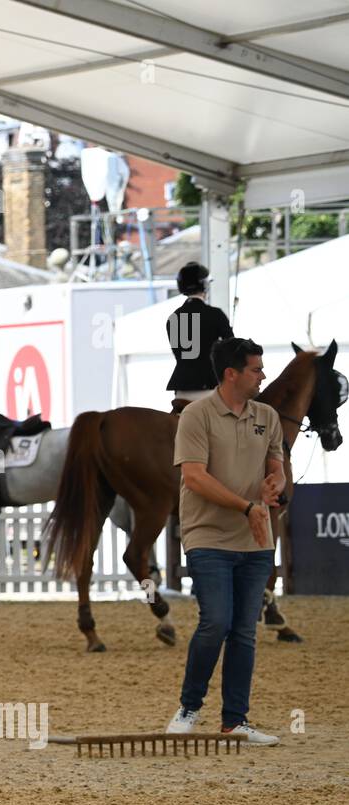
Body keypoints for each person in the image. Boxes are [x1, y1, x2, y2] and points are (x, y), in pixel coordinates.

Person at [166, 337, 285, 745]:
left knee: (244, 631)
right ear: (232, 373)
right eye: (256, 369)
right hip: (208, 535)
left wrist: (274, 485)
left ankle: (235, 721)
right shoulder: (196, 416)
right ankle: (189, 708)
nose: (263, 375)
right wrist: (247, 507)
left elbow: (276, 466)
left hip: (256, 539)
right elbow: (194, 477)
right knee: (215, 621)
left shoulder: (267, 415)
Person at [166, 261, 233, 407]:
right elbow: (232, 348)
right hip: (209, 386)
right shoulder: (215, 314)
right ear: (205, 286)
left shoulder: (173, 317)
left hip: (181, 389)